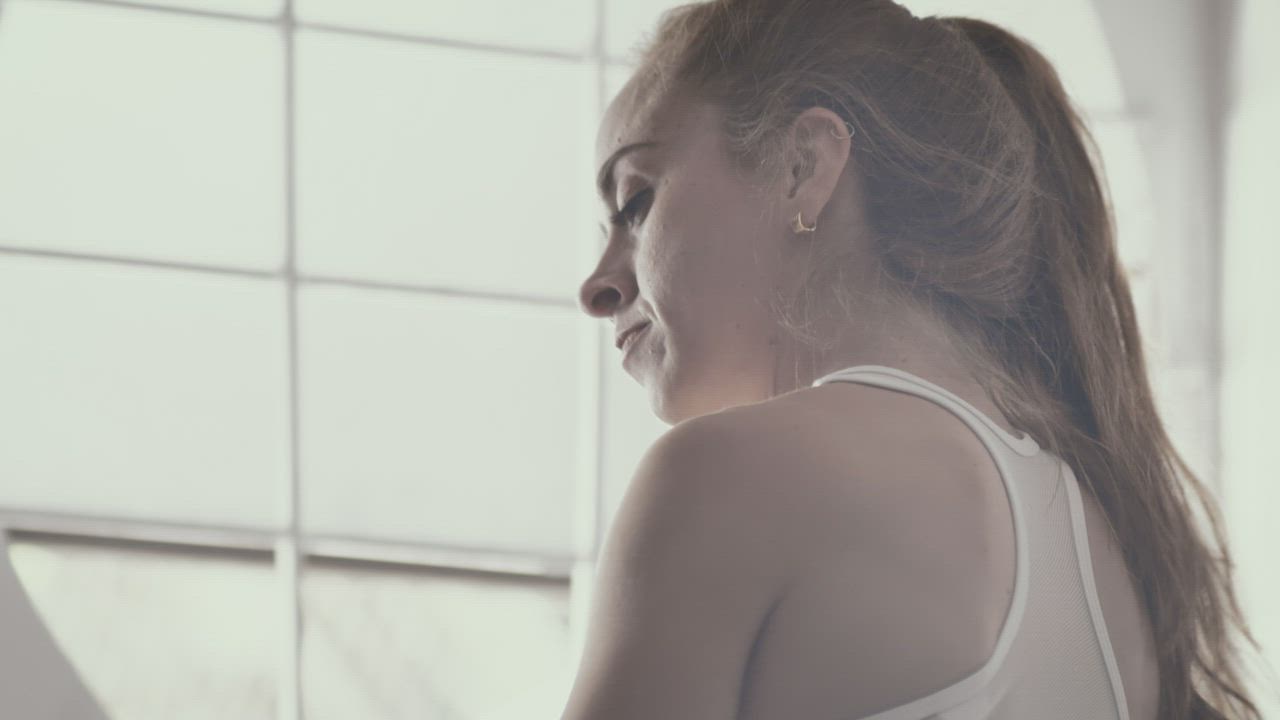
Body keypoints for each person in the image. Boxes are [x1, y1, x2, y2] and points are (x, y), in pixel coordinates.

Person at [567, 1, 1265, 719]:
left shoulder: (723, 478)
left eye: (635, 202)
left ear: (803, 166)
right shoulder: (1114, 555)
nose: (597, 286)